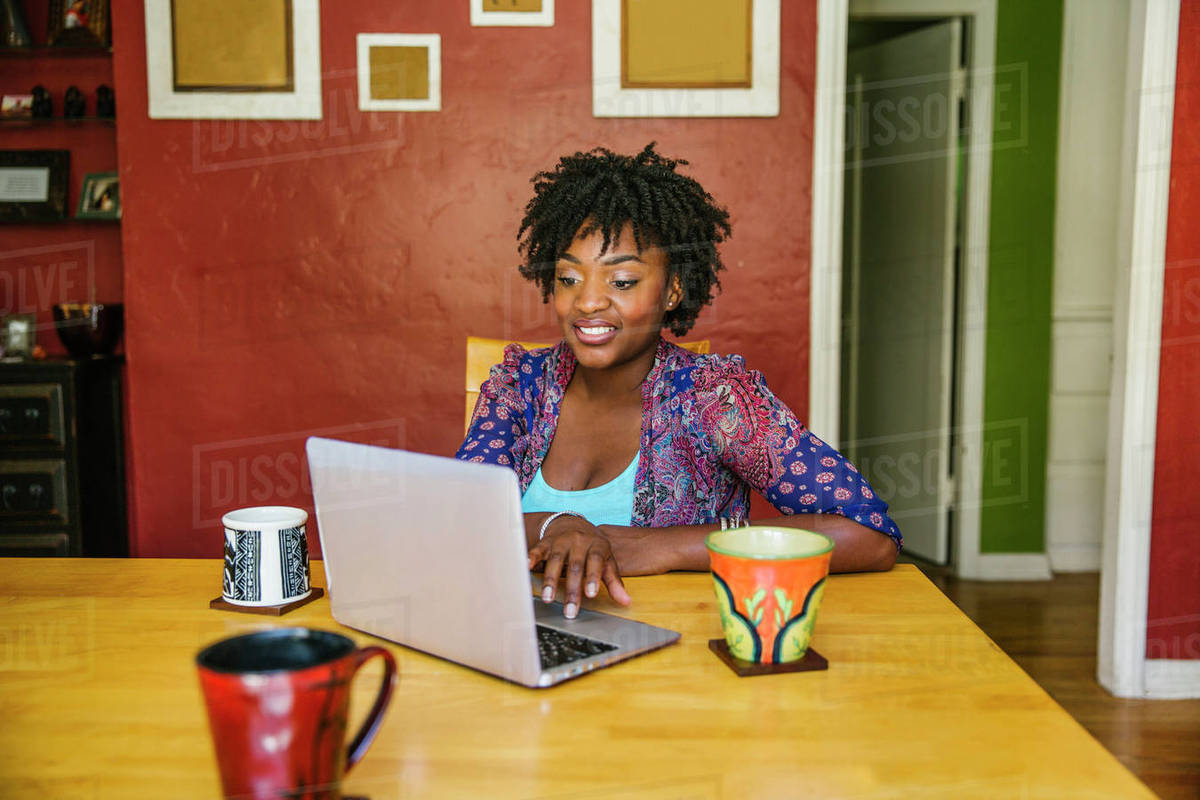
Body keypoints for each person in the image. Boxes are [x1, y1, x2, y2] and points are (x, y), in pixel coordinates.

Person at [457, 143, 901, 619]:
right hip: (521, 636)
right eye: (569, 278)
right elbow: (459, 517)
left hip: (677, 646)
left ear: (672, 290)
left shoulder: (715, 399)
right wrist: (557, 525)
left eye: (621, 281)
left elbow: (868, 536)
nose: (587, 302)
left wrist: (664, 546)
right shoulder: (518, 386)